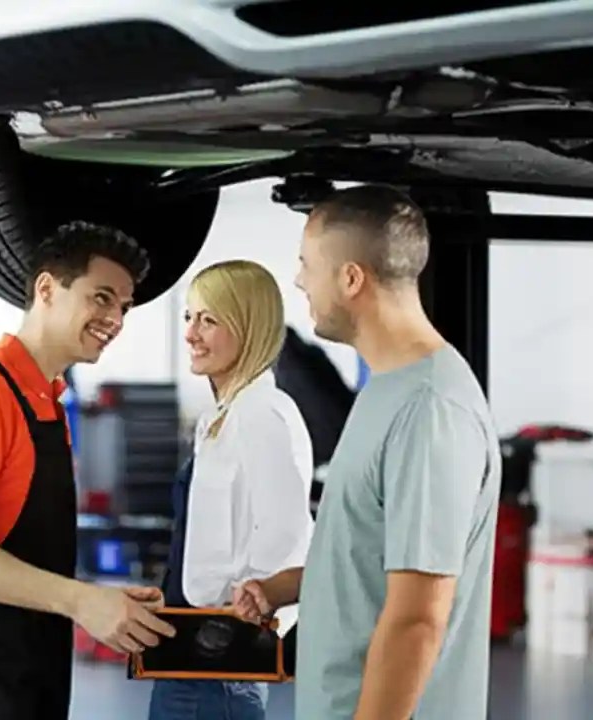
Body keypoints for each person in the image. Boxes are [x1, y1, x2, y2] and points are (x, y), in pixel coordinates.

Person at [231, 185, 502, 720]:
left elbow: (417, 620)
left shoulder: (430, 410)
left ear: (352, 278)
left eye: (307, 264)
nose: (299, 279)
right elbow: (385, 556)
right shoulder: (390, 387)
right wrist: (288, 587)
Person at [0, 221, 177, 720]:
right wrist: (81, 601)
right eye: (100, 297)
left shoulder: (49, 401)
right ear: (47, 289)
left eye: (123, 306)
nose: (115, 318)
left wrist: (97, 601)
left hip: (32, 645)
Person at [148, 260, 316, 720]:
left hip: (217, 660)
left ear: (250, 327)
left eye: (210, 320)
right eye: (189, 317)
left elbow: (286, 531)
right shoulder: (226, 414)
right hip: (191, 651)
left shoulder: (262, 413)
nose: (191, 333)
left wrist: (241, 610)